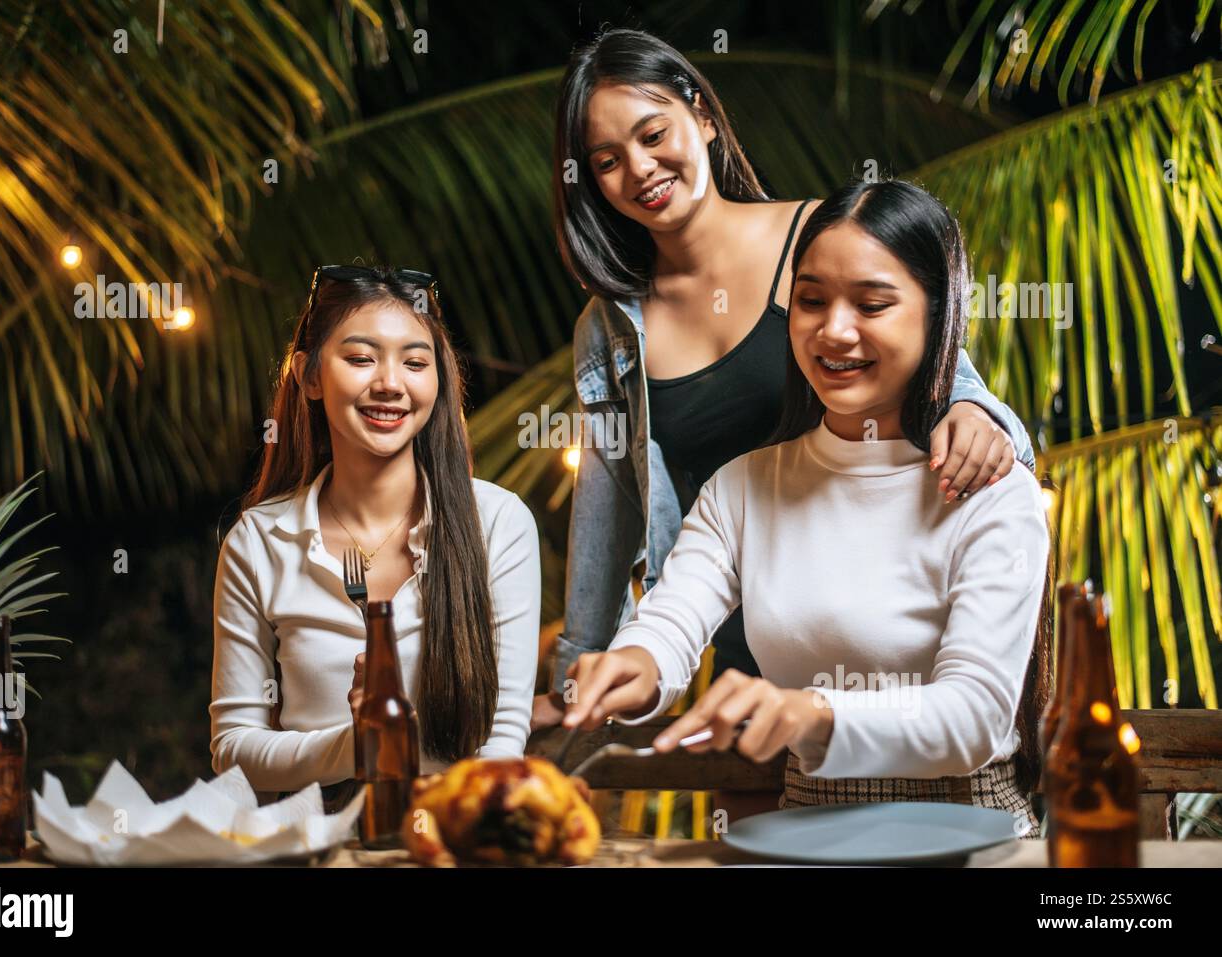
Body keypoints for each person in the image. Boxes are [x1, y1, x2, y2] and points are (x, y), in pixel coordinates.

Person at [534, 29, 1035, 737]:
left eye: (652, 134)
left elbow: (948, 376)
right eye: (607, 161)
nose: (639, 168)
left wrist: (981, 417)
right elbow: (608, 504)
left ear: (703, 116)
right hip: (747, 638)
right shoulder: (614, 324)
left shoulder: (822, 241)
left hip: (890, 615)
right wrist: (579, 675)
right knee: (765, 839)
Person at [561, 179, 1051, 836]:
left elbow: (976, 718)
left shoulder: (990, 489)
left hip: (967, 833)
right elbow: (671, 627)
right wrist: (634, 663)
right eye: (812, 300)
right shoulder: (744, 487)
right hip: (807, 834)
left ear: (938, 315)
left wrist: (809, 713)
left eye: (873, 304)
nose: (834, 330)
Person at [209, 265, 540, 799]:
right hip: (312, 847)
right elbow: (234, 748)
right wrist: (353, 744)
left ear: (438, 380)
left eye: (415, 362)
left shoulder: (497, 524)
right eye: (361, 359)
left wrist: (397, 745)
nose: (390, 383)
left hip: (454, 836)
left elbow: (501, 744)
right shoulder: (259, 541)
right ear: (309, 376)